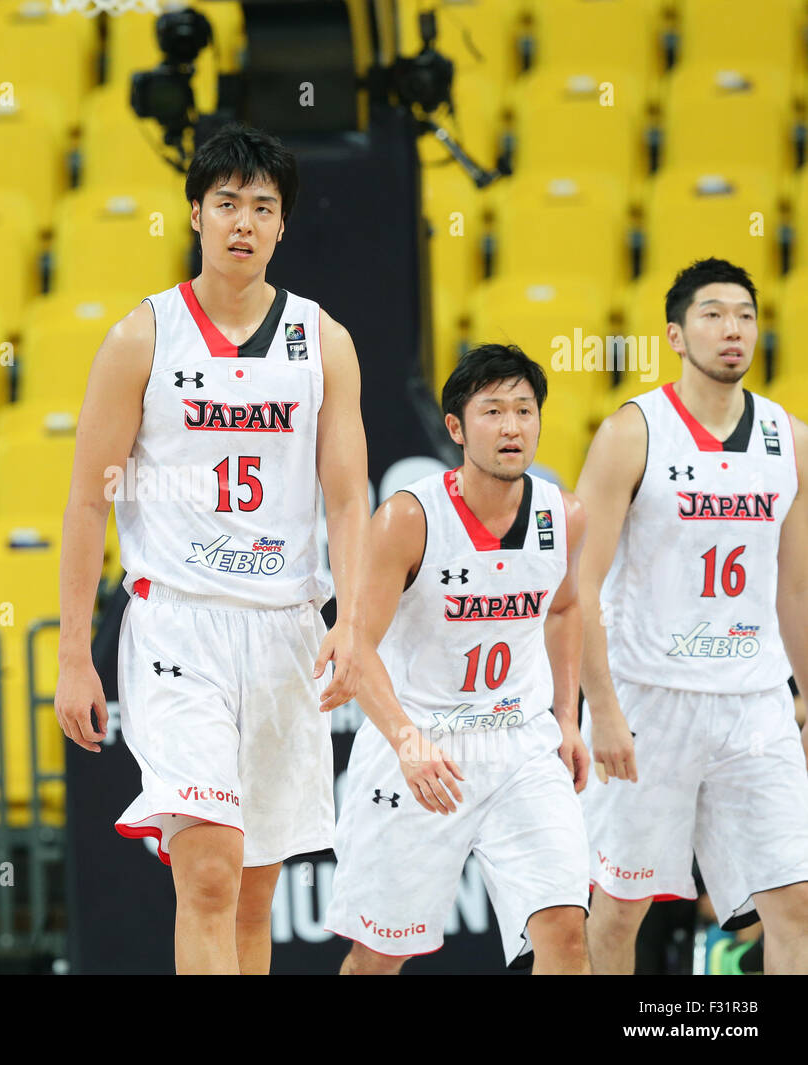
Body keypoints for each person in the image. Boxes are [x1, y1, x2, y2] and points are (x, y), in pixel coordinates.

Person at [54, 123, 370, 975]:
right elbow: (88, 499)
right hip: (176, 629)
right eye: (226, 202)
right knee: (208, 874)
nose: (242, 221)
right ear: (195, 212)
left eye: (261, 207)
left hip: (285, 629)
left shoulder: (322, 341)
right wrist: (74, 654)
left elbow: (348, 495)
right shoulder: (141, 337)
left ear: (281, 227)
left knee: (254, 894)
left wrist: (356, 621)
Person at [325, 344, 592, 974]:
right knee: (376, 958)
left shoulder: (566, 514)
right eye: (493, 411)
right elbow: (356, 642)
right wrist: (405, 740)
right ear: (456, 428)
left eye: (525, 411)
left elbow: (563, 610)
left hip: (522, 745)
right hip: (422, 747)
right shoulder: (407, 519)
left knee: (565, 931)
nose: (511, 427)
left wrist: (568, 718)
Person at [577, 257, 808, 974]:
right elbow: (578, 585)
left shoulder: (791, 438)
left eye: (744, 314)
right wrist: (605, 709)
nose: (731, 329)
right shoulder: (632, 431)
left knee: (796, 900)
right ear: (676, 334)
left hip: (754, 700)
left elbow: (794, 587)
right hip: (650, 698)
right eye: (712, 314)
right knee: (618, 908)